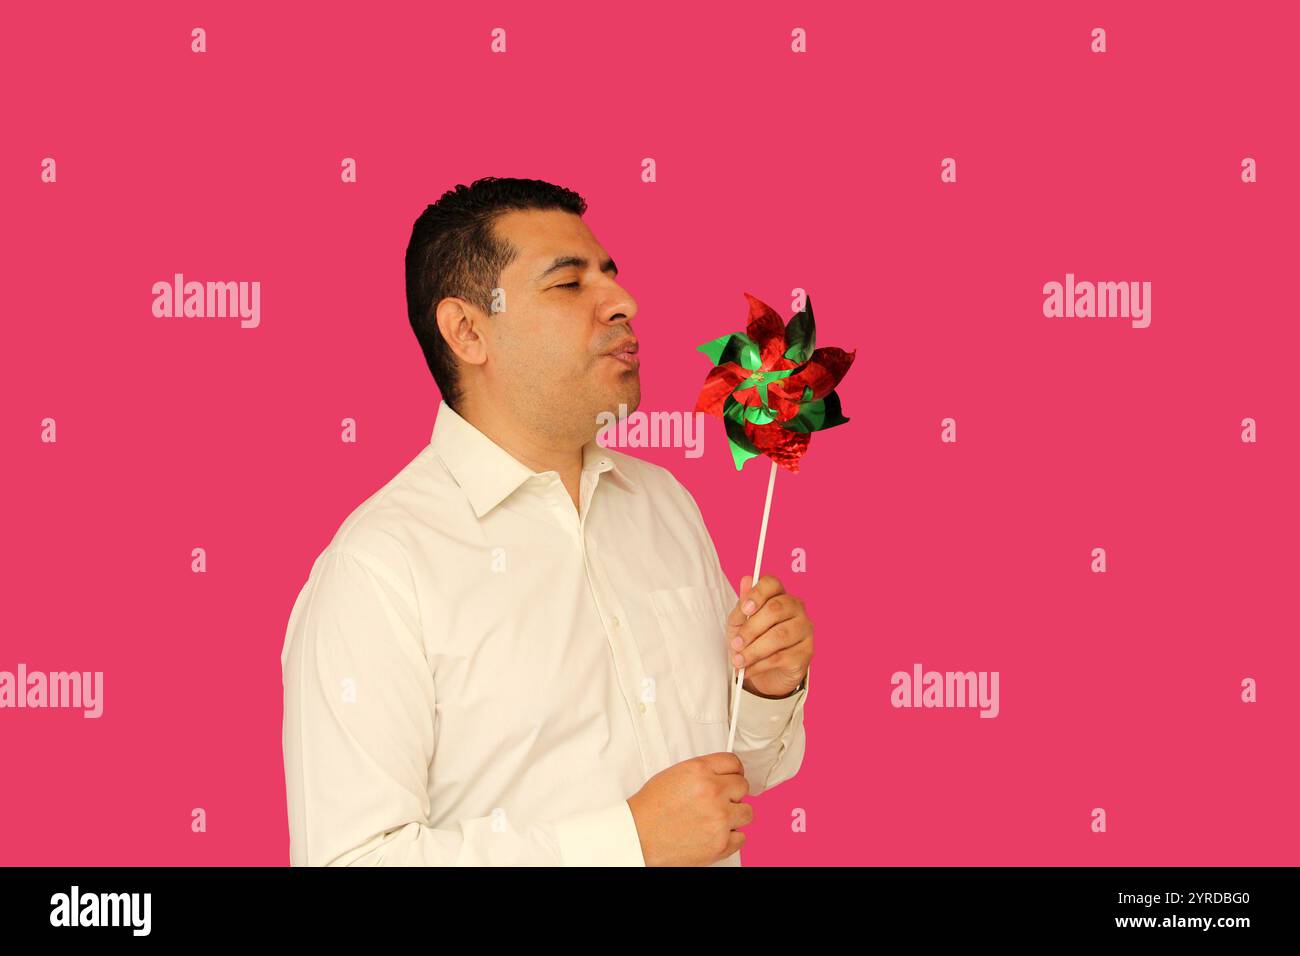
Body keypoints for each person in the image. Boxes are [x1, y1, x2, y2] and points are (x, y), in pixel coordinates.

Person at [280, 176, 813, 866]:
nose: (624, 302)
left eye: (611, 276)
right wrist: (627, 842)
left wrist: (766, 688)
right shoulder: (380, 568)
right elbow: (347, 860)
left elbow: (728, 784)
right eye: (569, 284)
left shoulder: (665, 504)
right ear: (469, 330)